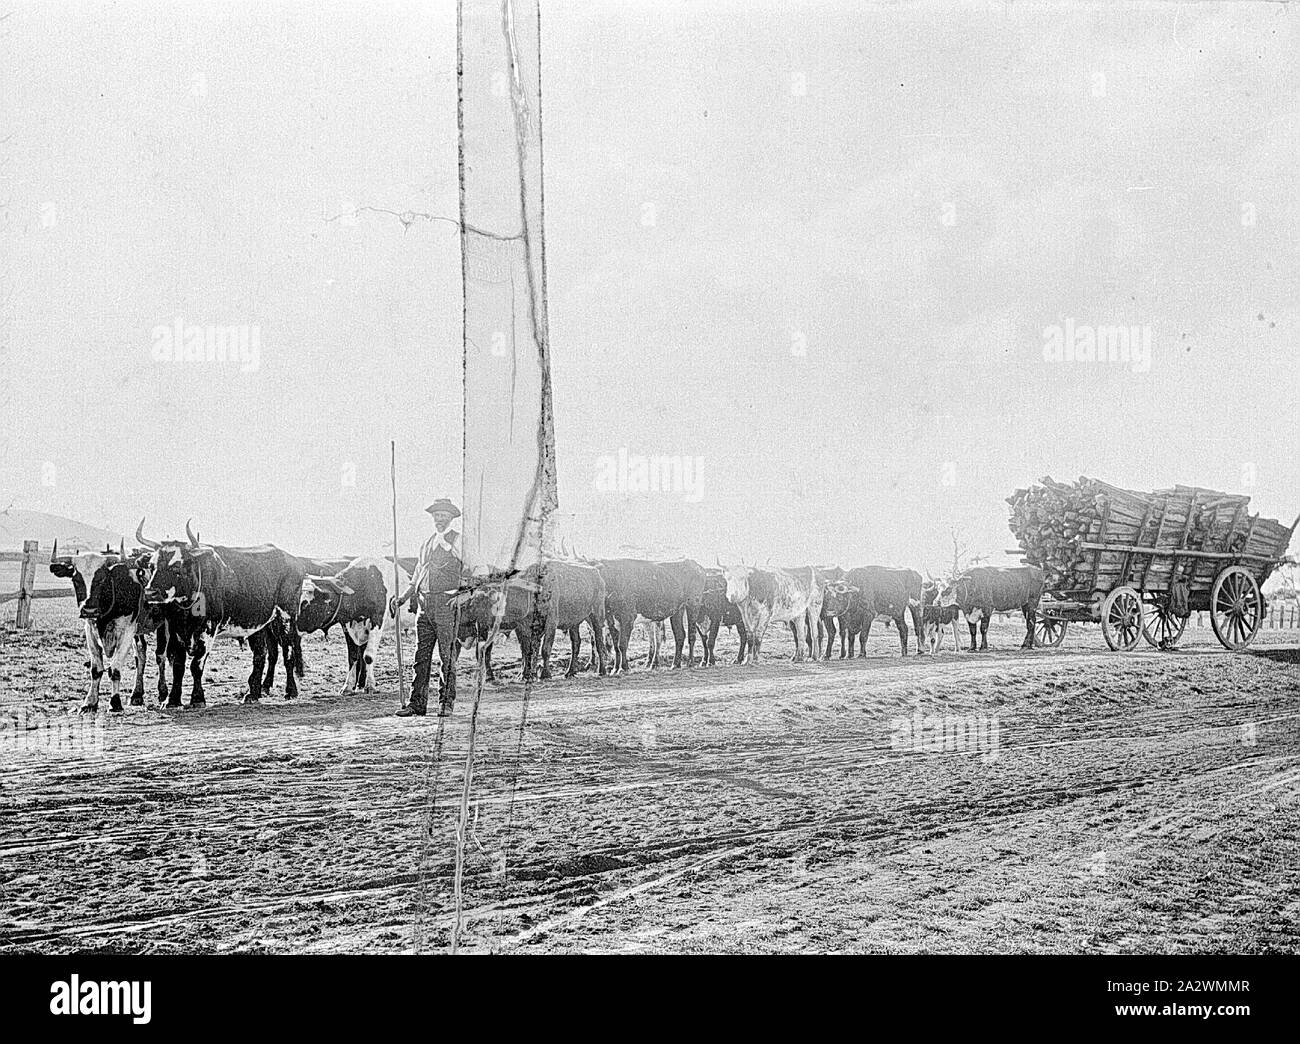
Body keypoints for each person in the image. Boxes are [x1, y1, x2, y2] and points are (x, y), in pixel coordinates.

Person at [396, 497, 463, 717]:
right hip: (424, 606)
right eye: (436, 516)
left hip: (446, 604)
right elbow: (417, 575)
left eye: (444, 516)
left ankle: (446, 703)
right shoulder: (426, 543)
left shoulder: (459, 541)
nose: (439, 519)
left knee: (447, 656)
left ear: (451, 518)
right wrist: (403, 598)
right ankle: (417, 704)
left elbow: (471, 568)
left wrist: (463, 595)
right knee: (420, 657)